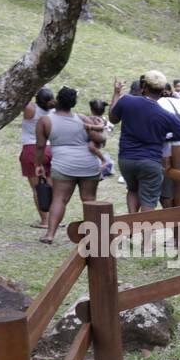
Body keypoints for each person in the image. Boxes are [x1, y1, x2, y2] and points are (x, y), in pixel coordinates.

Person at [109, 70, 180, 216]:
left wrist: (116, 93)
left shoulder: (127, 100)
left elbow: (112, 119)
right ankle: (145, 237)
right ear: (163, 89)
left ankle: (132, 228)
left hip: (126, 159)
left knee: (133, 190)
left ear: (144, 86)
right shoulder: (165, 115)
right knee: (148, 200)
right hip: (150, 161)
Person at [33, 87, 104, 244]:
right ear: (73, 103)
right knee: (89, 199)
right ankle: (94, 237)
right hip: (88, 163)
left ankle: (50, 234)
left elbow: (39, 146)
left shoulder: (45, 121)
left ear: (57, 100)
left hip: (63, 164)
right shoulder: (82, 118)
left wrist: (38, 164)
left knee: (59, 198)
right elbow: (99, 139)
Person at [20, 87, 55, 226]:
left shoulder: (31, 110)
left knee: (37, 188)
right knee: (51, 186)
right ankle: (54, 219)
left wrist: (33, 89)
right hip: (51, 149)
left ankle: (45, 221)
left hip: (32, 149)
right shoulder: (53, 111)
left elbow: (21, 95)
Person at [85, 99, 114, 177]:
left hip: (96, 141)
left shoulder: (97, 119)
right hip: (96, 139)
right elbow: (110, 127)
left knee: (91, 146)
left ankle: (103, 160)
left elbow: (102, 128)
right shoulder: (101, 119)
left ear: (91, 109)